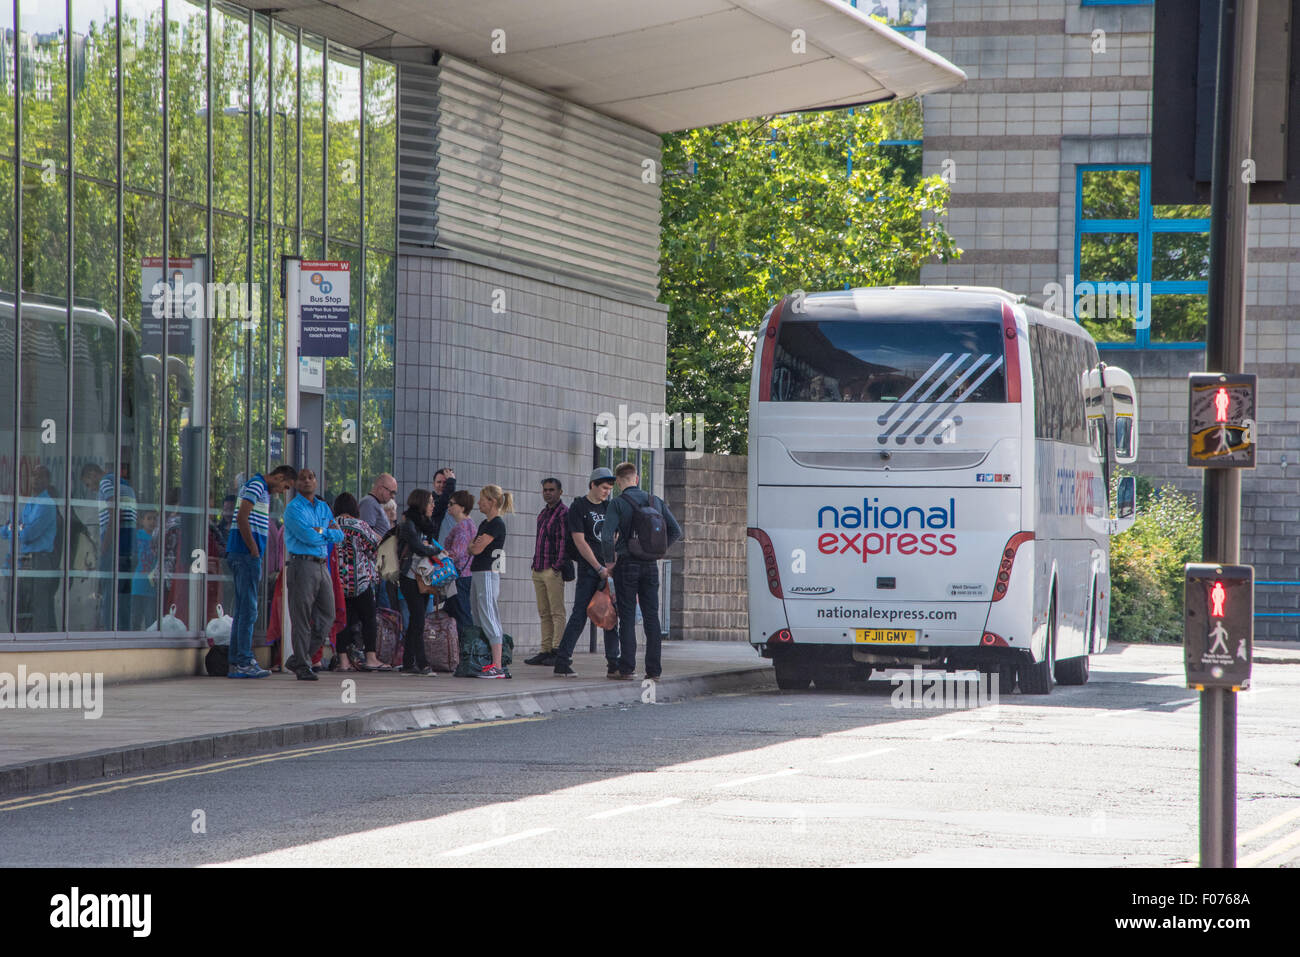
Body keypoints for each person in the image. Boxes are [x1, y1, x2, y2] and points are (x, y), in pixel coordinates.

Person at [600, 462, 681, 681]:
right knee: (651, 617)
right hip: (650, 566)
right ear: (637, 478)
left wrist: (609, 563)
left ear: (618, 482)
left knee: (626, 618)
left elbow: (607, 536)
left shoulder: (617, 503)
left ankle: (626, 669)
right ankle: (654, 671)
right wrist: (659, 550)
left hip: (626, 564)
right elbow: (676, 530)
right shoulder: (655, 501)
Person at [225, 465, 296, 678]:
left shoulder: (260, 488)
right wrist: (254, 550)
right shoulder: (257, 485)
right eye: (285, 486)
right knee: (249, 609)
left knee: (244, 609)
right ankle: (243, 661)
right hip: (246, 555)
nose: (283, 491)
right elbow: (242, 517)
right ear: (279, 476)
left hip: (245, 555)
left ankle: (238, 659)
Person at [552, 468, 619, 678]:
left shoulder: (610, 507)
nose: (607, 492)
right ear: (592, 485)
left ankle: (613, 664)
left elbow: (615, 538)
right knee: (579, 614)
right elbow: (579, 541)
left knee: (610, 615)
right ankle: (562, 661)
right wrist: (598, 567)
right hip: (589, 569)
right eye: (604, 488)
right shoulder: (579, 506)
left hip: (607, 570)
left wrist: (610, 566)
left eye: (609, 489)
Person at [282, 468, 342, 681]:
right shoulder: (293, 509)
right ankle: (302, 664)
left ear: (316, 481)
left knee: (328, 614)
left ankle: (300, 657)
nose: (307, 481)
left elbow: (339, 534)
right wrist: (323, 532)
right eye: (302, 478)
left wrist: (320, 531)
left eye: (311, 477)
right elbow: (308, 536)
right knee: (302, 616)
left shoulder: (324, 507)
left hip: (322, 564)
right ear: (296, 483)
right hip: (302, 564)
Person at [332, 491, 388, 672]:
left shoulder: (330, 525)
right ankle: (371, 657)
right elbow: (376, 547)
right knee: (368, 618)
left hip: (338, 581)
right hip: (360, 580)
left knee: (342, 619)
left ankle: (343, 661)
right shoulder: (360, 526)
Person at [3, 465, 59, 631]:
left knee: (38, 607)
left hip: (40, 560)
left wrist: (17, 528)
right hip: (24, 561)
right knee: (19, 606)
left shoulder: (47, 504)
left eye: (40, 476)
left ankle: (39, 644)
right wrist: (17, 528)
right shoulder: (29, 503)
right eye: (34, 476)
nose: (36, 480)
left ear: (48, 481)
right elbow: (5, 530)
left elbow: (28, 534)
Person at [468, 484, 513, 678]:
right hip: (478, 572)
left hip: (487, 572)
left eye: (482, 499)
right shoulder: (484, 524)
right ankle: (487, 661)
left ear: (492, 501)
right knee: (479, 615)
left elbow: (476, 549)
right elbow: (472, 546)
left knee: (489, 615)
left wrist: (474, 546)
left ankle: (497, 665)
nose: (479, 502)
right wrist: (473, 545)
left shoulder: (496, 524)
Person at [396, 489, 441, 676]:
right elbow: (418, 548)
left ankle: (408, 662)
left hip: (423, 578)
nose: (433, 505)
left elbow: (426, 546)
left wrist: (433, 549)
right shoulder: (409, 524)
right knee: (418, 619)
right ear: (421, 503)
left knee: (417, 620)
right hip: (409, 578)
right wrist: (434, 551)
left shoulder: (426, 524)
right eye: (430, 502)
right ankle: (422, 663)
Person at [526, 477, 569, 666]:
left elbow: (564, 543)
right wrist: (535, 563)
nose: (548, 493)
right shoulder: (543, 514)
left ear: (560, 492)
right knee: (544, 612)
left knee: (556, 611)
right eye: (545, 490)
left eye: (551, 490)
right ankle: (544, 649)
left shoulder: (563, 513)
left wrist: (557, 566)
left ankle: (556, 649)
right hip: (539, 567)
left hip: (552, 569)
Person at [442, 489, 477, 638]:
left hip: (458, 576)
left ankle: (468, 649)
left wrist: (440, 555)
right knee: (454, 612)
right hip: (465, 575)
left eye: (452, 504)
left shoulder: (462, 527)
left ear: (462, 507)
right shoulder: (471, 524)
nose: (448, 506)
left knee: (461, 614)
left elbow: (456, 553)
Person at [130, 510, 160, 631]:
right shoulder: (137, 536)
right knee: (135, 620)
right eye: (149, 518)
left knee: (150, 621)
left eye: (154, 518)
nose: (152, 521)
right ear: (142, 521)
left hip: (151, 588)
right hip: (136, 586)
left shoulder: (159, 537)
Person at [359, 473, 398, 537]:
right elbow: (365, 534)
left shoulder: (373, 502)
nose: (393, 497)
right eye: (392, 492)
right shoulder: (369, 503)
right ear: (380, 489)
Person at [432, 467, 458, 544]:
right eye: (439, 482)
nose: (442, 485)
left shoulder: (457, 503)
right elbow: (441, 505)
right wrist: (451, 483)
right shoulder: (429, 501)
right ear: (434, 484)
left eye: (445, 482)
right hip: (436, 546)